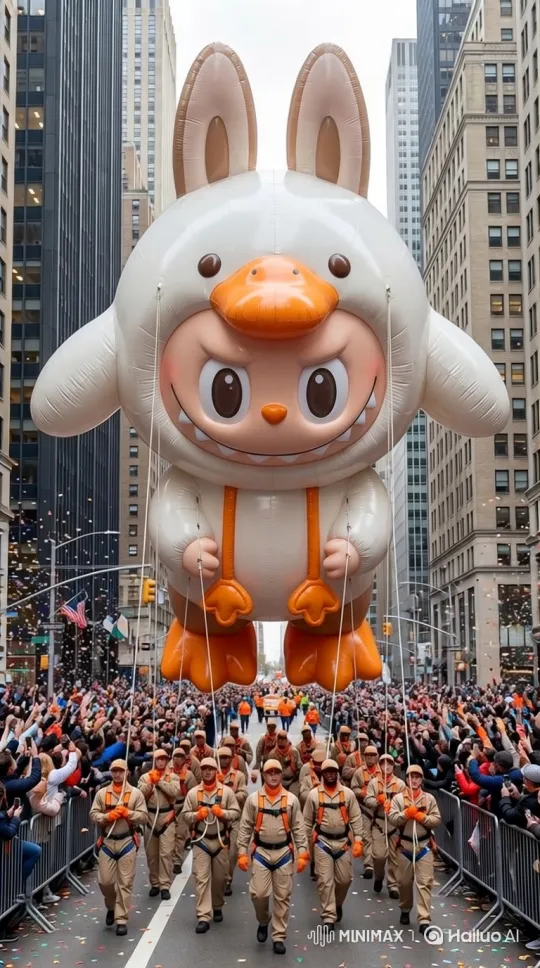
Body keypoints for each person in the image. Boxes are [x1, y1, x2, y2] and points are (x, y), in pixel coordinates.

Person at [236, 759, 309, 955]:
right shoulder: (254, 800)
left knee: (282, 896)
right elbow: (244, 828)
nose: (274, 775)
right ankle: (263, 920)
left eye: (277, 772)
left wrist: (303, 852)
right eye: (270, 772)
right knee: (258, 894)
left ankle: (278, 935)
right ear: (264, 775)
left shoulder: (291, 800)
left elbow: (299, 829)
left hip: (284, 852)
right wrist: (242, 852)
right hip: (261, 852)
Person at [182, 756, 240, 933]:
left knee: (220, 879)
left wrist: (222, 813)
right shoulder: (193, 793)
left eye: (211, 768)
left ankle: (217, 905)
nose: (207, 771)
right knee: (201, 878)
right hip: (201, 840)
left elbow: (236, 812)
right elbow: (185, 815)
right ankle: (203, 915)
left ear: (216, 771)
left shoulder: (227, 792)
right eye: (204, 768)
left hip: (221, 840)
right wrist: (196, 816)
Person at [90, 759, 148, 935]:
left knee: (125, 882)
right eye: (114, 771)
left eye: (120, 771)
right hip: (107, 841)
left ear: (126, 772)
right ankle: (111, 906)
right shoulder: (102, 793)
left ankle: (121, 918)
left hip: (126, 841)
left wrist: (128, 813)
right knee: (105, 882)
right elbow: (93, 814)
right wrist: (107, 817)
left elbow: (144, 816)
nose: (117, 774)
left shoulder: (136, 794)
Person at [303, 759, 363, 929]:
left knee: (345, 879)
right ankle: (328, 916)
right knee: (324, 881)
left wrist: (358, 839)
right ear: (322, 774)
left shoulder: (348, 794)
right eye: (327, 771)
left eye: (333, 771)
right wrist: (304, 847)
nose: (330, 774)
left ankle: (337, 904)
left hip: (343, 842)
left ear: (337, 773)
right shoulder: (314, 795)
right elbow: (306, 822)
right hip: (322, 842)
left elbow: (357, 818)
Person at [387, 764, 441, 933]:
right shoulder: (398, 799)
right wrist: (406, 814)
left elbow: (437, 819)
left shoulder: (429, 799)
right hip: (404, 846)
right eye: (411, 777)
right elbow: (393, 818)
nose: (414, 780)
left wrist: (421, 816)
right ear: (407, 779)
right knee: (404, 882)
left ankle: (424, 919)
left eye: (417, 777)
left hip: (424, 846)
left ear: (421, 779)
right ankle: (405, 908)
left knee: (425, 883)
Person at [138, 749, 179, 899]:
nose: (161, 761)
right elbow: (139, 794)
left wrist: (160, 782)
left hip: (166, 816)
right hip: (149, 817)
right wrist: (150, 782)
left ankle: (165, 885)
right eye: (158, 759)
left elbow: (175, 792)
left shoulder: (173, 777)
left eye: (163, 759)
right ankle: (155, 883)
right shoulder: (144, 777)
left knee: (166, 854)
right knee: (152, 854)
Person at [364, 753, 405, 897]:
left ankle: (393, 885)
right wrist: (378, 801)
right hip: (380, 822)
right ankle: (379, 876)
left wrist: (396, 806)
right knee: (379, 855)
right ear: (379, 765)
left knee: (394, 857)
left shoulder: (400, 784)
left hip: (394, 822)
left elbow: (405, 802)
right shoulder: (374, 783)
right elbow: (367, 799)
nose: (386, 767)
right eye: (383, 764)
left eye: (389, 764)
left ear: (393, 766)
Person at [216, 746, 248, 896]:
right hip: (216, 819)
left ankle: (228, 879)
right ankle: (220, 878)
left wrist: (229, 793)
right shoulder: (211, 774)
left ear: (231, 759)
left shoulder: (239, 776)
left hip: (234, 818)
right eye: (221, 757)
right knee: (218, 852)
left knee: (233, 852)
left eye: (226, 757)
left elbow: (244, 793)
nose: (223, 760)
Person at [351, 745, 381, 878]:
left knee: (378, 838)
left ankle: (378, 862)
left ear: (376, 757)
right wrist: (361, 792)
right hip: (365, 809)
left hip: (379, 810)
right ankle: (368, 864)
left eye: (372, 755)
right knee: (366, 836)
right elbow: (353, 789)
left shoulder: (383, 772)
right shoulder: (358, 772)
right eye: (367, 755)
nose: (370, 758)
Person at [170, 748, 197, 874]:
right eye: (175, 756)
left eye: (180, 757)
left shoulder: (189, 775)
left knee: (180, 835)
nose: (177, 759)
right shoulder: (167, 773)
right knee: (170, 835)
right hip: (169, 807)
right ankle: (170, 857)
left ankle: (177, 861)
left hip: (182, 806)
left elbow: (193, 792)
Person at [268, 730, 301, 795]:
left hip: (293, 780)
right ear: (277, 740)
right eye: (279, 738)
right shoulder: (272, 753)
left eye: (283, 738)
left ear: (287, 740)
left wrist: (294, 779)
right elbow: (268, 770)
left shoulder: (294, 751)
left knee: (294, 796)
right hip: (277, 780)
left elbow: (299, 767)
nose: (281, 740)